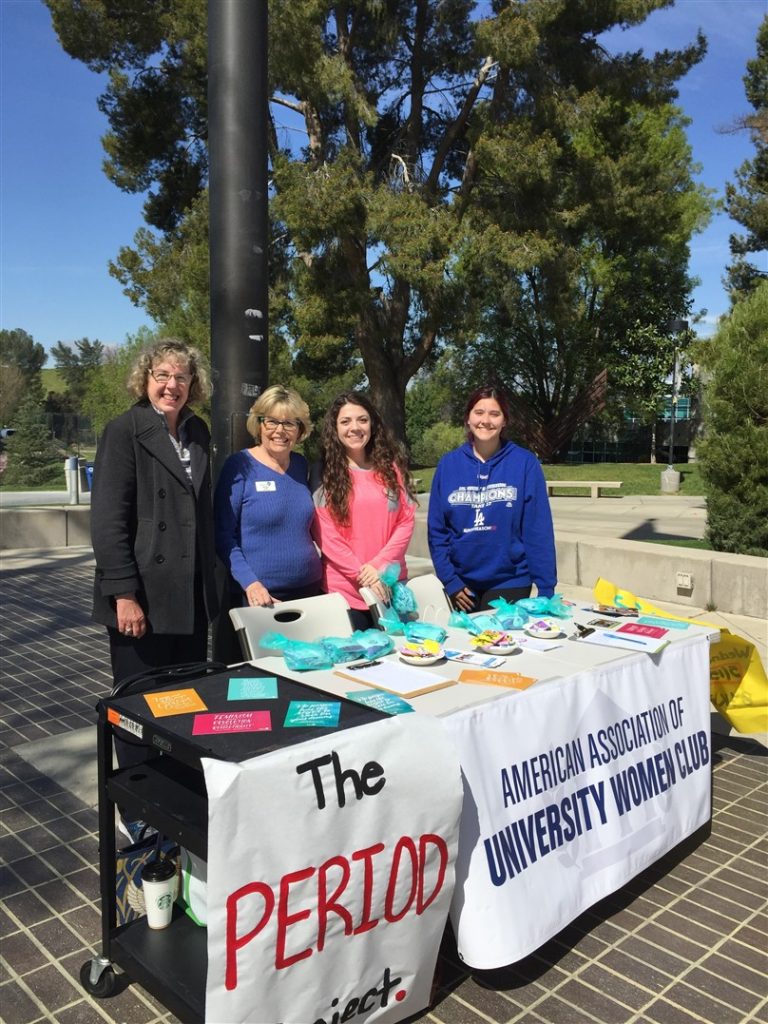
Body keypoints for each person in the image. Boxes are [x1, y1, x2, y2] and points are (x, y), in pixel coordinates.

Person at [90, 338, 219, 835]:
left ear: (193, 384)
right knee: (138, 709)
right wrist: (123, 594)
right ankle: (138, 811)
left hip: (189, 595)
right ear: (145, 379)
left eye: (182, 376)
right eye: (162, 375)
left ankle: (177, 799)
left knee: (183, 705)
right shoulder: (124, 430)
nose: (172, 385)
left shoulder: (197, 431)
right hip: (142, 595)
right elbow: (108, 521)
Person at [427, 383, 557, 611]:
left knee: (497, 635)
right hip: (462, 585)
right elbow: (437, 531)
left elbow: (538, 529)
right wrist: (450, 580)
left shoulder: (525, 463)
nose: (485, 421)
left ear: (504, 421)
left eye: (494, 414)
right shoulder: (448, 464)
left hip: (510, 581)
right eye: (479, 412)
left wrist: (546, 589)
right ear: (468, 418)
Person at [313, 392, 417, 629]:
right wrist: (363, 575)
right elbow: (325, 534)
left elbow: (406, 520)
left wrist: (378, 567)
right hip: (344, 594)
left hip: (389, 587)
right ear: (335, 428)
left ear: (372, 424)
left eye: (362, 420)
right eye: (345, 421)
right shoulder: (322, 474)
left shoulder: (391, 468)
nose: (355, 428)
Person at [214, 385, 322, 607]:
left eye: (289, 423)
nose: (280, 431)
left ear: (300, 429)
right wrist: (250, 583)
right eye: (271, 421)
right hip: (261, 595)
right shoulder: (239, 466)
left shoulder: (301, 465)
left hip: (310, 588)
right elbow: (223, 534)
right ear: (259, 424)